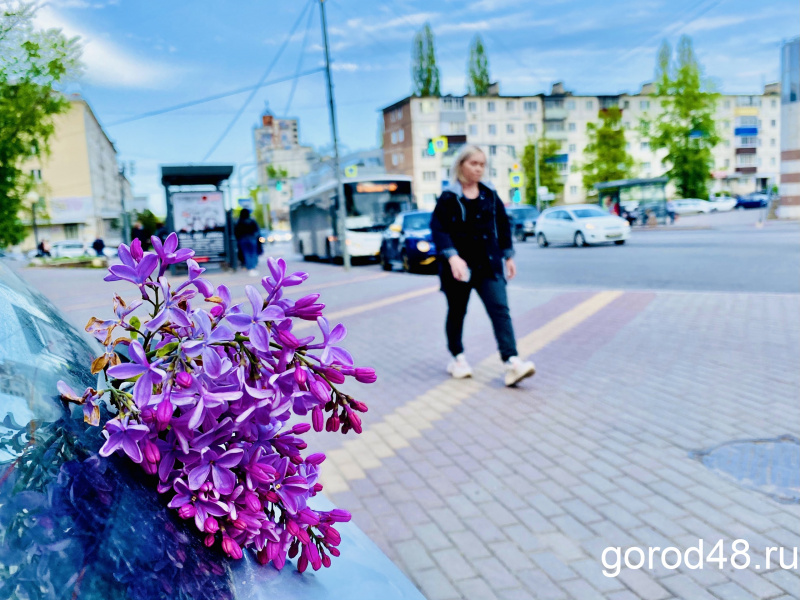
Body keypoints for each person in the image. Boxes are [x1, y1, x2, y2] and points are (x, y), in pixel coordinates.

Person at [430, 145, 536, 387]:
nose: (478, 169)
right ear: (461, 165)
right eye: (473, 163)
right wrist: (452, 257)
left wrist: (508, 256)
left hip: (488, 264)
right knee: (457, 312)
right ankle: (457, 358)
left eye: (482, 164)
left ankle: (512, 362)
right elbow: (438, 229)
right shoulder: (448, 197)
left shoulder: (489, 194)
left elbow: (503, 225)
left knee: (500, 309)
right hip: (458, 269)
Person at [234, 208, 260, 276]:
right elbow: (257, 230)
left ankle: (250, 267)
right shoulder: (252, 221)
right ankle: (253, 266)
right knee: (253, 253)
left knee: (246, 253)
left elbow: (236, 231)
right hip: (252, 239)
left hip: (243, 239)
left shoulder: (239, 222)